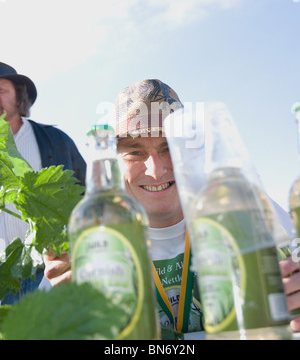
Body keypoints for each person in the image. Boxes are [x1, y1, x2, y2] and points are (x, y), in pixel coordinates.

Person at [44, 78, 300, 337]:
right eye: (135, 152)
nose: (156, 171)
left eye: (169, 148)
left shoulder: (240, 207)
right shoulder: (92, 236)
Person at [0, 62, 86, 305]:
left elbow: (86, 198)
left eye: (0, 91)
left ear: (19, 97)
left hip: (53, 274)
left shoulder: (56, 141)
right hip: (2, 280)